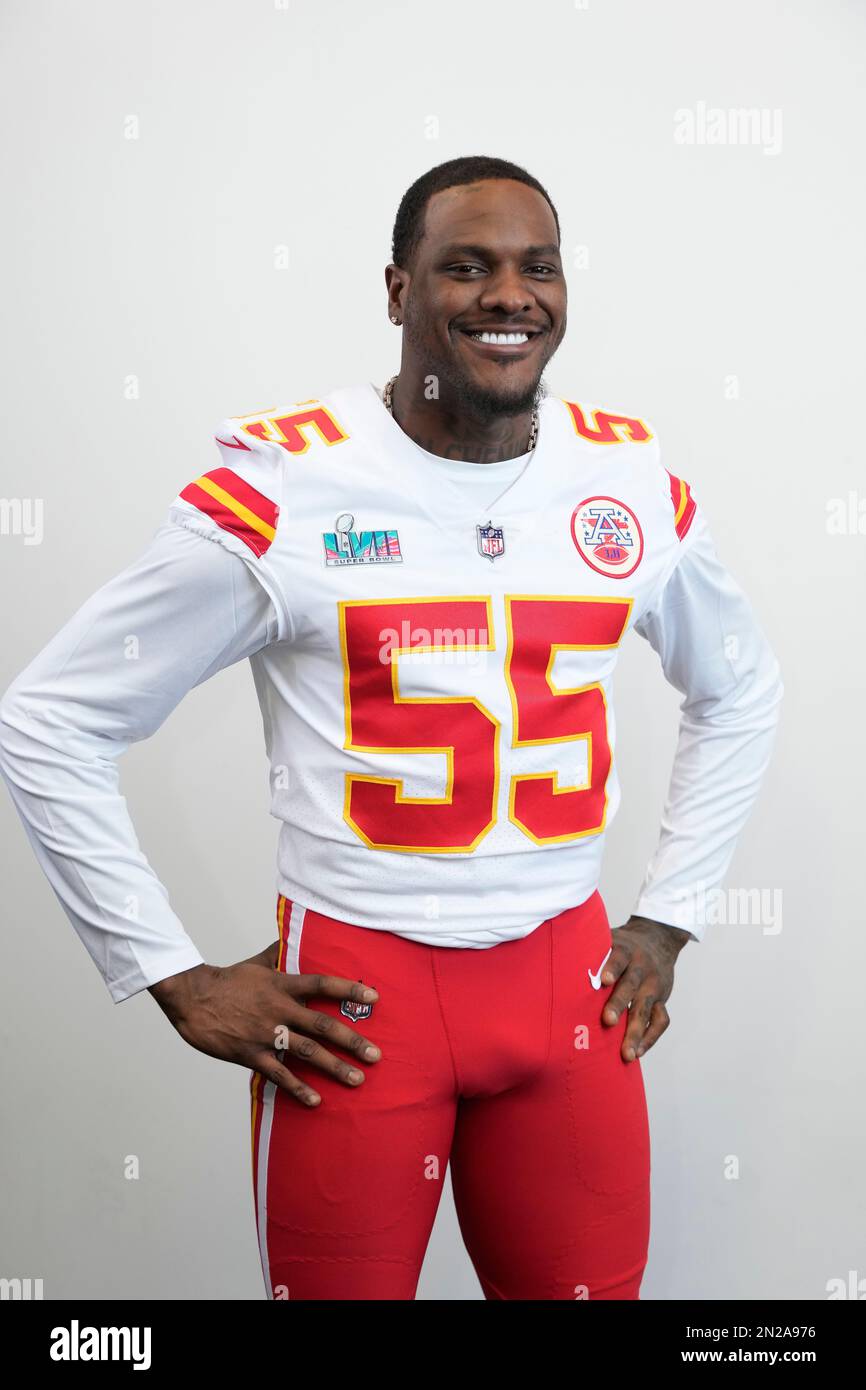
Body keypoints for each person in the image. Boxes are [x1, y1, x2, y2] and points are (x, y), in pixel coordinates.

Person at [0, 154, 783, 1301]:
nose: (508, 295)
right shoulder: (287, 488)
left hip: (566, 983)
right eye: (464, 267)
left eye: (537, 269)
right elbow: (51, 717)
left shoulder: (623, 474)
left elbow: (740, 685)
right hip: (359, 1006)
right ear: (396, 291)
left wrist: (669, 917)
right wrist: (163, 969)